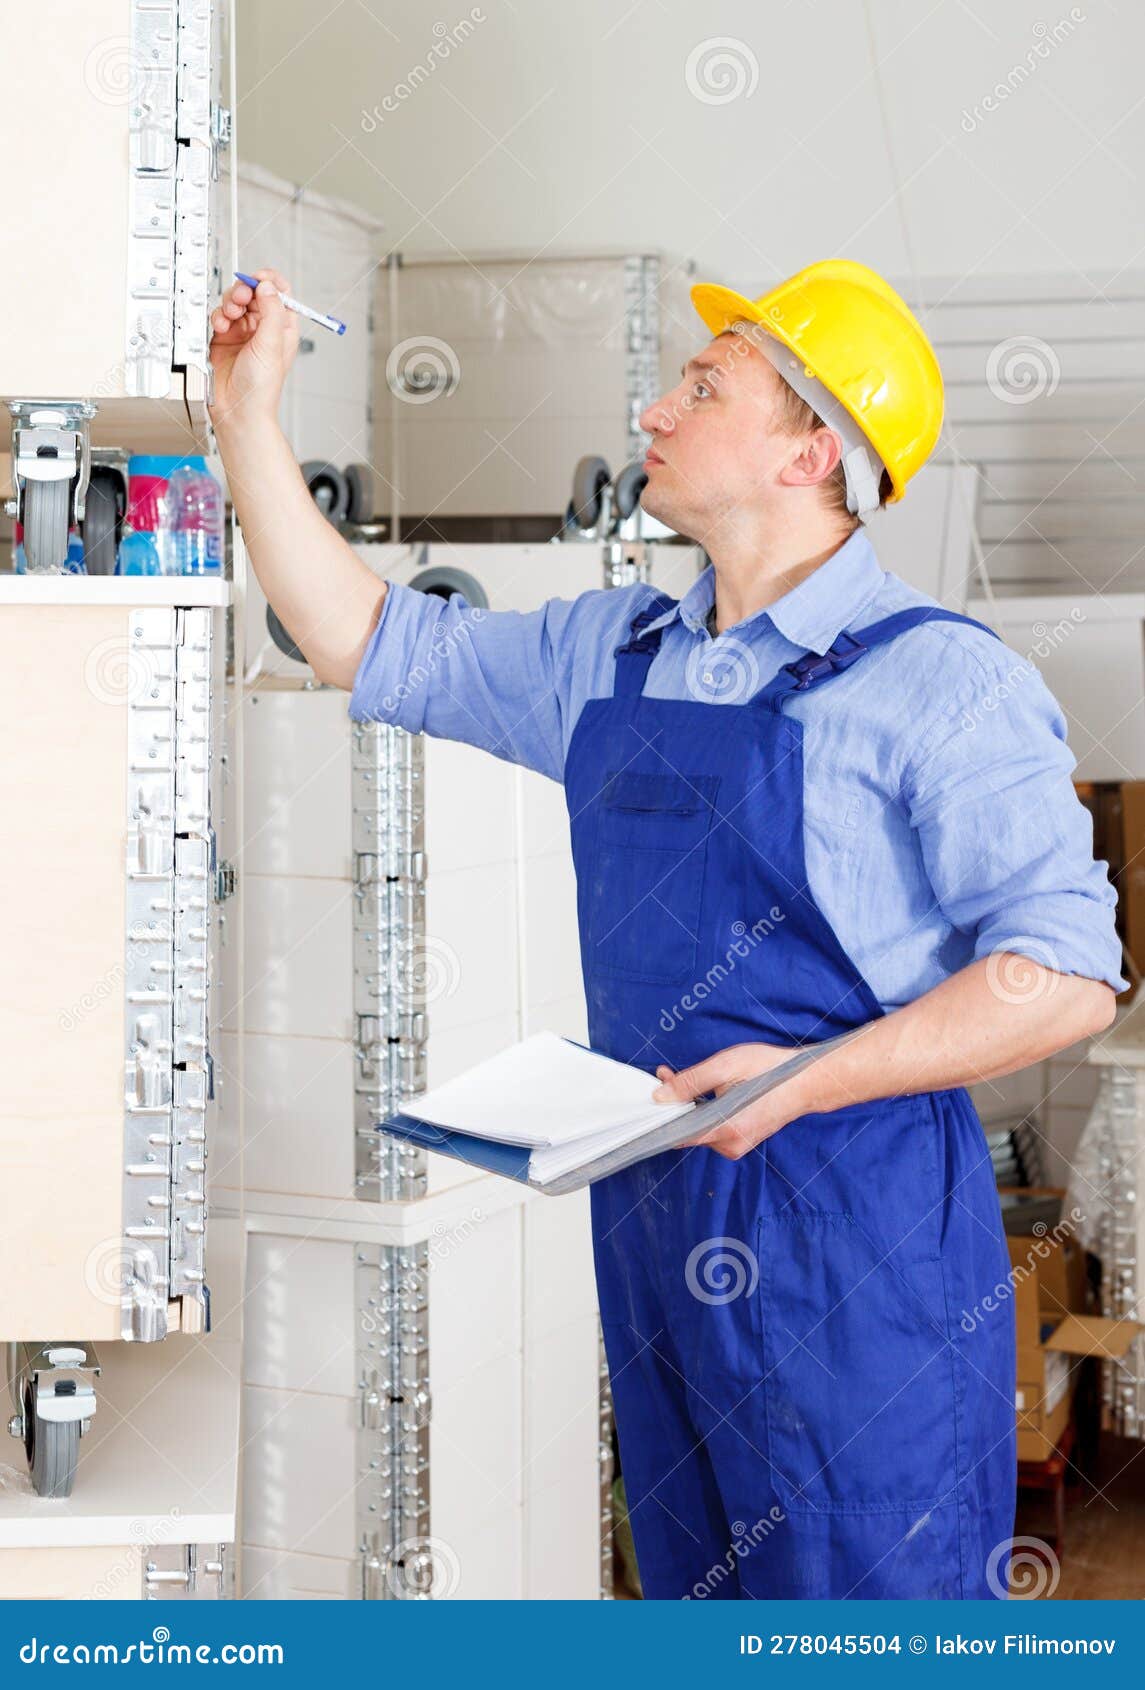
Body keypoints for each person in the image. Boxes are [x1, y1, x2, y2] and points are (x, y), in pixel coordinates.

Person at [209, 259, 1122, 1600]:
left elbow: (1065, 978)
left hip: (850, 1251)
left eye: (703, 386)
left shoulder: (940, 683)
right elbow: (363, 640)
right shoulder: (614, 652)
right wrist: (245, 417)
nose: (652, 405)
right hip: (659, 1227)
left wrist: (801, 1077)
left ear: (813, 449)